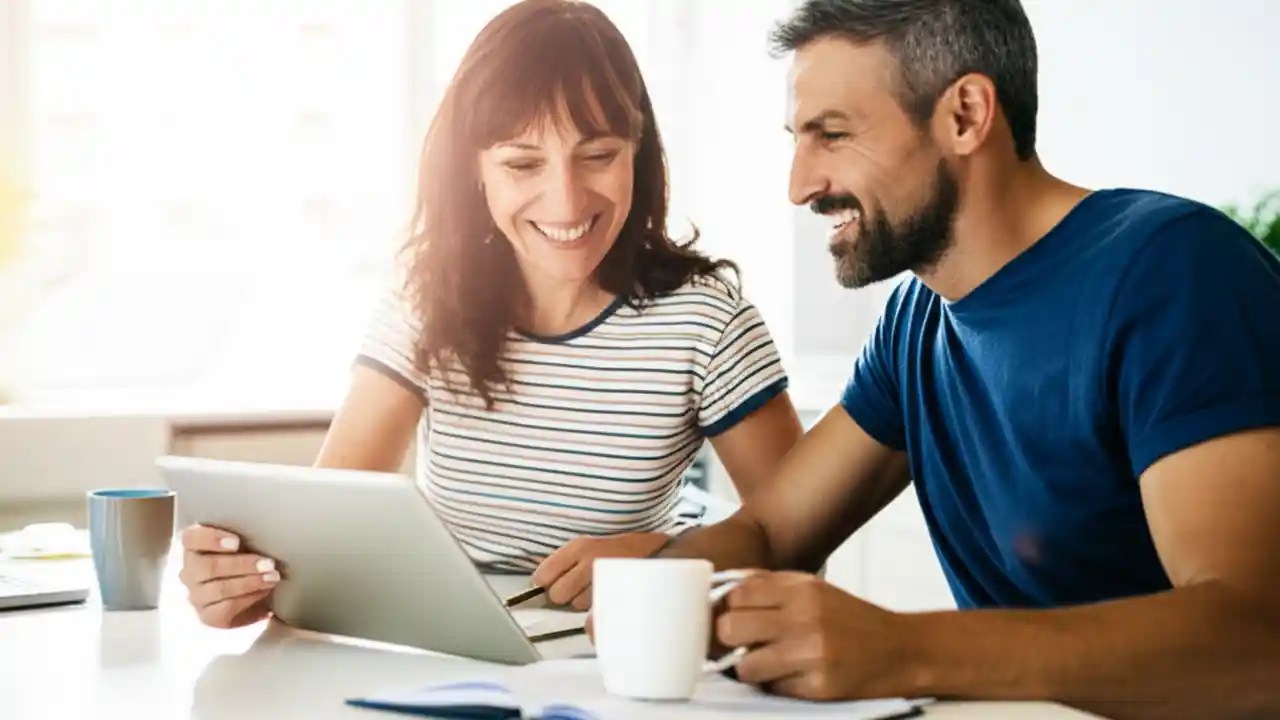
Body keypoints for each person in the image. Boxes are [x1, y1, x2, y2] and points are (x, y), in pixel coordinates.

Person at [647, 1, 1280, 717]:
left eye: (833, 135)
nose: (800, 185)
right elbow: (768, 530)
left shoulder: (1175, 273)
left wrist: (904, 648)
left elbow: (1256, 639)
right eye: (798, 139)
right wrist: (653, 587)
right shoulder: (916, 322)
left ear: (966, 115)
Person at [176, 0, 803, 629]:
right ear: (475, 170)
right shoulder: (426, 300)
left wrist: (673, 557)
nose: (565, 199)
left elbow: (800, 542)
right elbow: (326, 530)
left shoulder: (709, 322)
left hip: (623, 655)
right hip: (457, 647)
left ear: (637, 153)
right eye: (522, 164)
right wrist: (247, 583)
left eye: (598, 155)